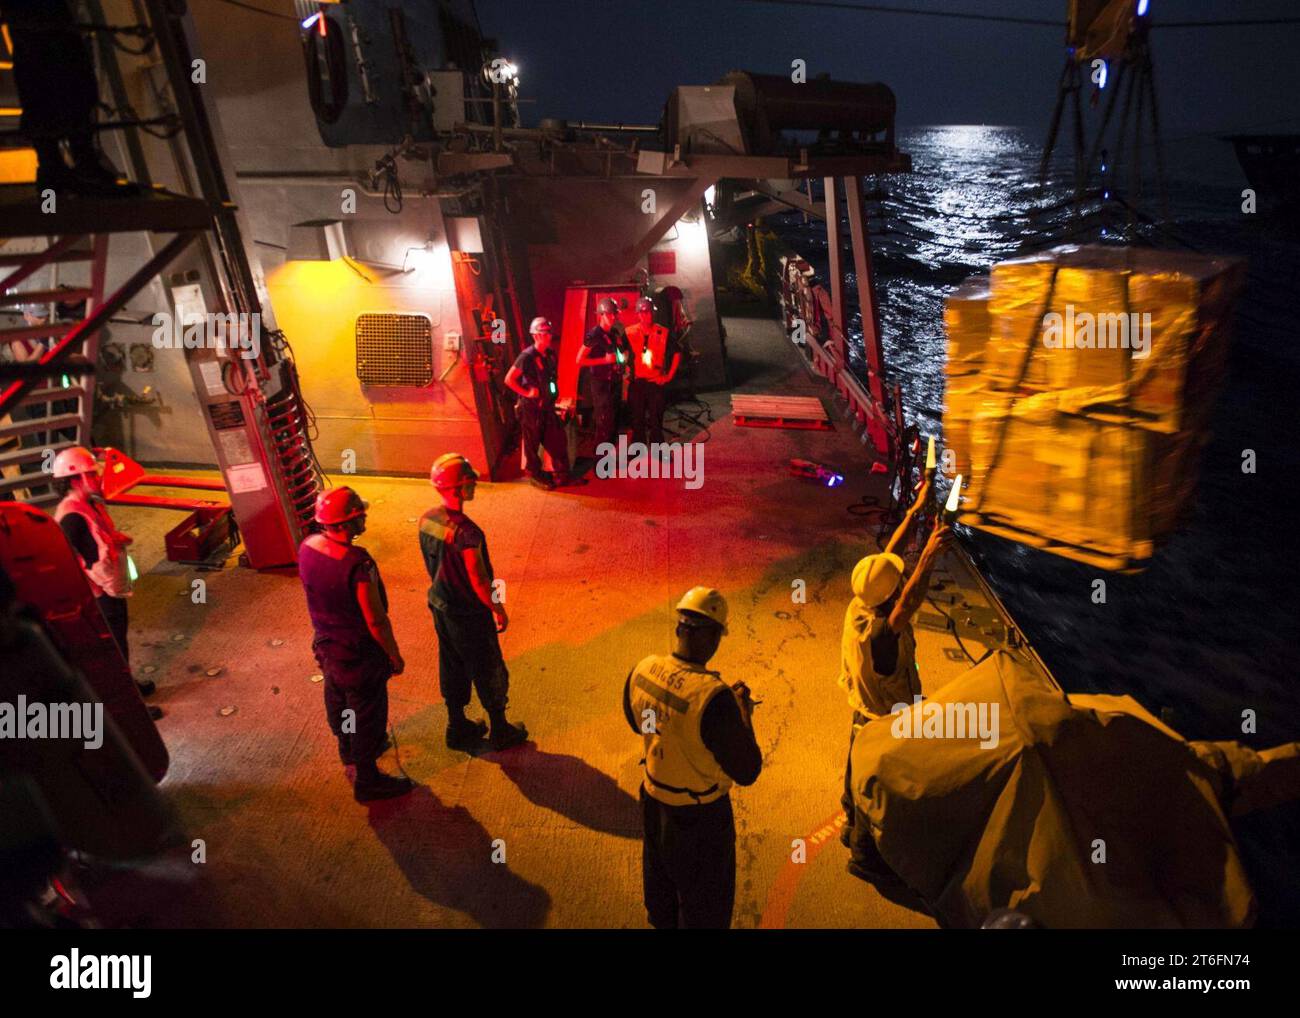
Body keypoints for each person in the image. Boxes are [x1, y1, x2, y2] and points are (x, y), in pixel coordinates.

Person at [623, 587, 762, 929]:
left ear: (679, 629)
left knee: (662, 899)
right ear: (714, 636)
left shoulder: (642, 670)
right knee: (706, 912)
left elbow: (637, 721)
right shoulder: (713, 698)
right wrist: (743, 713)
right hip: (701, 821)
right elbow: (747, 770)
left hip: (655, 807)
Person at [839, 475, 953, 844]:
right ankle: (864, 847)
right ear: (891, 596)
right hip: (886, 721)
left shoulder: (861, 603)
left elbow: (889, 558)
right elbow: (909, 601)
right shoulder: (882, 636)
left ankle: (848, 817)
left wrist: (915, 512)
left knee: (854, 770)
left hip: (861, 710)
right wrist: (930, 556)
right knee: (880, 786)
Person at [298, 487, 412, 803]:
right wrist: (393, 653)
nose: (365, 517)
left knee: (339, 700)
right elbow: (375, 618)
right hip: (359, 653)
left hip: (327, 647)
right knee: (367, 713)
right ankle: (368, 778)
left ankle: (346, 749)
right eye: (359, 514)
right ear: (348, 523)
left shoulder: (307, 547)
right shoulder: (357, 563)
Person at [419, 453, 528, 753]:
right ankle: (500, 728)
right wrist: (498, 608)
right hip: (469, 614)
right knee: (488, 667)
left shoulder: (427, 520)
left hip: (441, 607)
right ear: (456, 489)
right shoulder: (468, 533)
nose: (474, 485)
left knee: (452, 664)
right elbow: (480, 580)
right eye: (469, 482)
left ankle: (457, 726)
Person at [51, 446, 161, 720]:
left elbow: (97, 539)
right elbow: (69, 559)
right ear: (74, 479)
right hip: (99, 596)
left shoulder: (90, 504)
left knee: (119, 644)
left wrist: (116, 540)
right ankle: (127, 708)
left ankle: (129, 688)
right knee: (112, 652)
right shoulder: (71, 516)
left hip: (112, 589)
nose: (97, 478)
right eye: (91, 474)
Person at [0, 0, 136, 195]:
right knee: (68, 77)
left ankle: (56, 168)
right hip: (42, 19)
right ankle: (78, 165)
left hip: (31, 21)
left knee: (43, 77)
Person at [504, 316, 583, 489]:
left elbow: (551, 379)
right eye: (546, 333)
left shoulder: (549, 354)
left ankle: (562, 475)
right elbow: (509, 379)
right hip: (531, 409)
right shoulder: (527, 356)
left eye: (550, 333)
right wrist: (527, 392)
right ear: (537, 335)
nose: (550, 336)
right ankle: (535, 475)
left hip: (547, 408)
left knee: (558, 440)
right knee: (532, 446)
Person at [575, 297, 632, 452]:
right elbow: (579, 360)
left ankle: (609, 457)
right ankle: (600, 463)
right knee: (604, 422)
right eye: (609, 314)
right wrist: (604, 360)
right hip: (601, 383)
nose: (613, 317)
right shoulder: (594, 335)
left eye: (614, 314)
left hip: (614, 381)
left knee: (613, 421)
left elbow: (619, 354)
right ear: (601, 315)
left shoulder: (613, 333)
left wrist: (623, 361)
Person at [625, 296, 681, 448]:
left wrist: (668, 376)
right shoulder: (629, 332)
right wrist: (624, 370)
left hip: (656, 382)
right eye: (642, 312)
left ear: (653, 313)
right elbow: (619, 352)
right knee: (637, 420)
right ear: (638, 314)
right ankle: (638, 448)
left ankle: (657, 448)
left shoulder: (663, 333)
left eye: (648, 312)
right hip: (637, 383)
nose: (645, 315)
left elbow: (677, 353)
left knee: (656, 420)